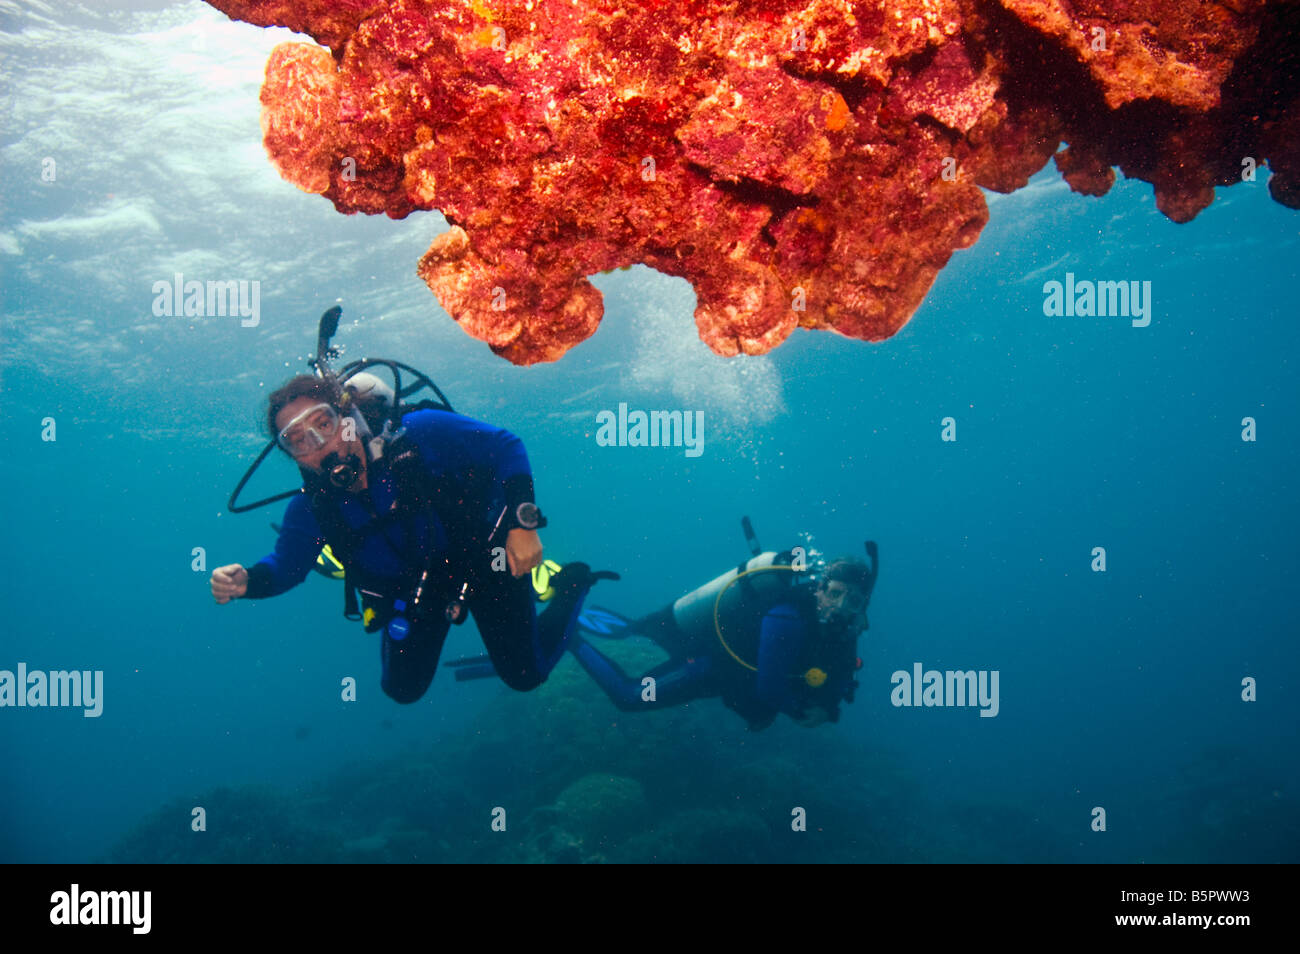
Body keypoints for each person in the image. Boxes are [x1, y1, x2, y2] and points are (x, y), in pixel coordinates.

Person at [211, 372, 606, 702]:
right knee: (402, 690)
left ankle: (570, 583)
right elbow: (288, 566)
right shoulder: (312, 508)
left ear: (346, 415)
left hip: (486, 564)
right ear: (291, 455)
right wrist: (249, 582)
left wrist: (523, 524)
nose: (317, 445)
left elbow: (504, 445)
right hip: (412, 592)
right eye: (296, 440)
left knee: (525, 676)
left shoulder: (420, 434)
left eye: (323, 424)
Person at [568, 554, 875, 730]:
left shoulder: (846, 629)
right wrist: (798, 711)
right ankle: (567, 635)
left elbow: (841, 672)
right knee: (629, 697)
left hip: (732, 677)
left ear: (862, 607)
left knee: (644, 633)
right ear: (820, 588)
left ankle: (632, 629)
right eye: (835, 593)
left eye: (853, 600)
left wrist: (828, 710)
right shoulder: (788, 616)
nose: (840, 606)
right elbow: (768, 688)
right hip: (707, 661)